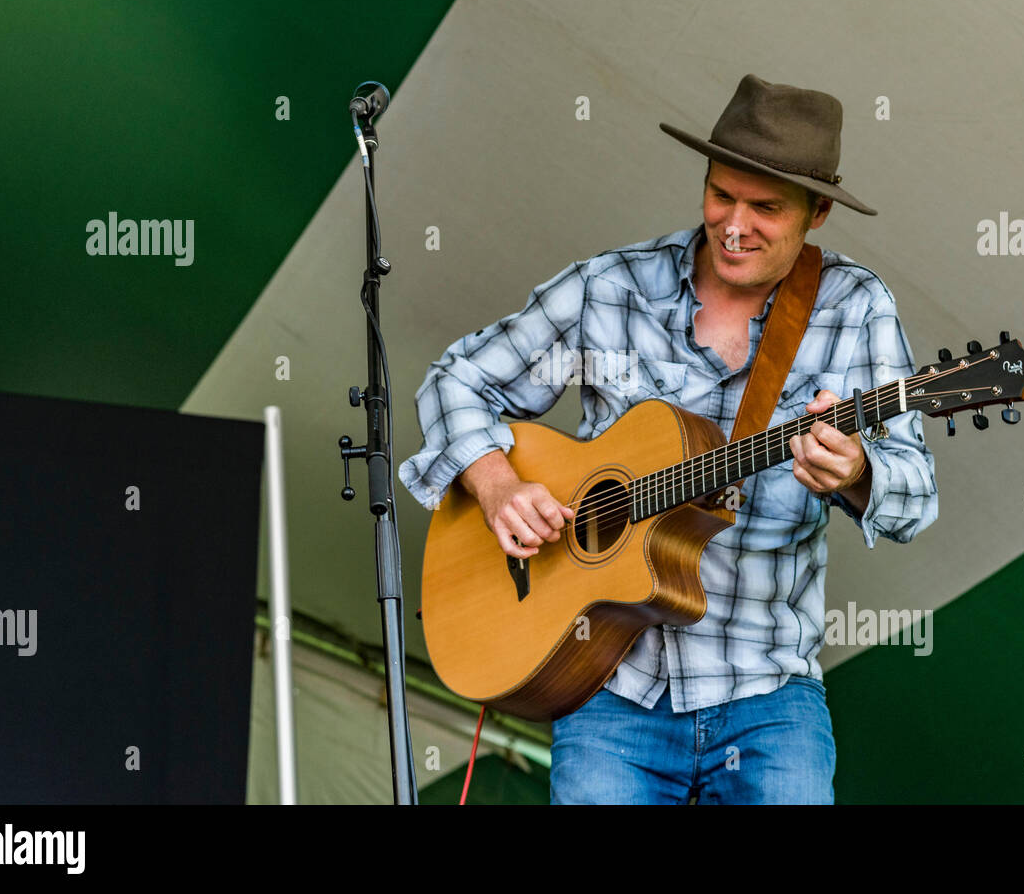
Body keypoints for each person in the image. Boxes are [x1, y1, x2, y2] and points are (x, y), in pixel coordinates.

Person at [399, 74, 938, 804]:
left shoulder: (857, 308)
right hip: (611, 683)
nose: (735, 224)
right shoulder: (609, 287)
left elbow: (915, 496)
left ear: (819, 213)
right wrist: (498, 485)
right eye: (722, 195)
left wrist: (857, 470)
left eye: (766, 207)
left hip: (767, 690)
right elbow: (458, 378)